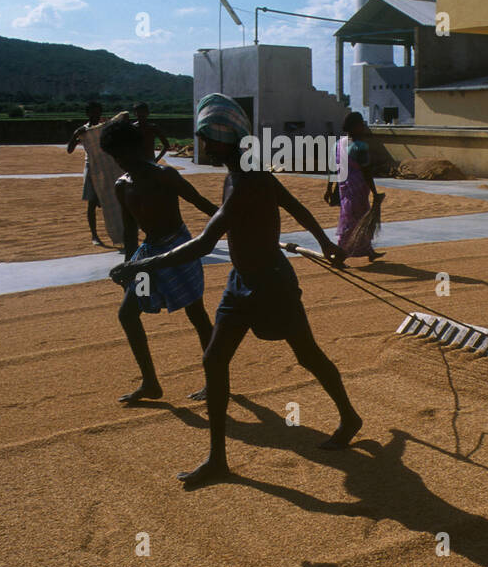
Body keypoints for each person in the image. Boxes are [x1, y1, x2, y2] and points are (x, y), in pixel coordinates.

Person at [111, 92, 362, 487]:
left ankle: (349, 416)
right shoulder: (240, 173)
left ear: (227, 138)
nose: (203, 144)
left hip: (273, 285)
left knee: (308, 356)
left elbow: (203, 245)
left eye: (208, 137)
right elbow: (295, 207)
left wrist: (142, 263)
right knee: (214, 362)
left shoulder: (248, 180)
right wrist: (325, 243)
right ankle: (217, 461)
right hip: (240, 283)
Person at [100, 113, 219, 404]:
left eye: (121, 154)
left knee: (197, 315)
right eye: (114, 156)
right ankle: (151, 383)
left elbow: (204, 205)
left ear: (135, 148)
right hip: (148, 258)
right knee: (128, 314)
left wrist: (237, 222)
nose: (119, 160)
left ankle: (216, 381)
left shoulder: (165, 175)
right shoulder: (122, 185)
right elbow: (130, 231)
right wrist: (130, 266)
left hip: (179, 251)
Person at [336, 110, 384, 261]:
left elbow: (334, 168)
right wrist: (375, 192)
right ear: (355, 126)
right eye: (361, 123)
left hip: (344, 187)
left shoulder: (339, 143)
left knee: (351, 218)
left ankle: (368, 251)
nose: (363, 126)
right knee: (357, 220)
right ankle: (341, 253)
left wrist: (329, 190)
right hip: (357, 189)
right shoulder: (360, 146)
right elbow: (366, 170)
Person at [67, 100, 104, 245]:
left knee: (113, 200)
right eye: (92, 112)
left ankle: (118, 232)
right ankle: (94, 235)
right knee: (92, 203)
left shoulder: (104, 128)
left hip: (106, 166)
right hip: (91, 166)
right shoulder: (83, 130)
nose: (95, 114)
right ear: (87, 114)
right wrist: (75, 135)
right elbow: (69, 150)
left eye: (98, 112)